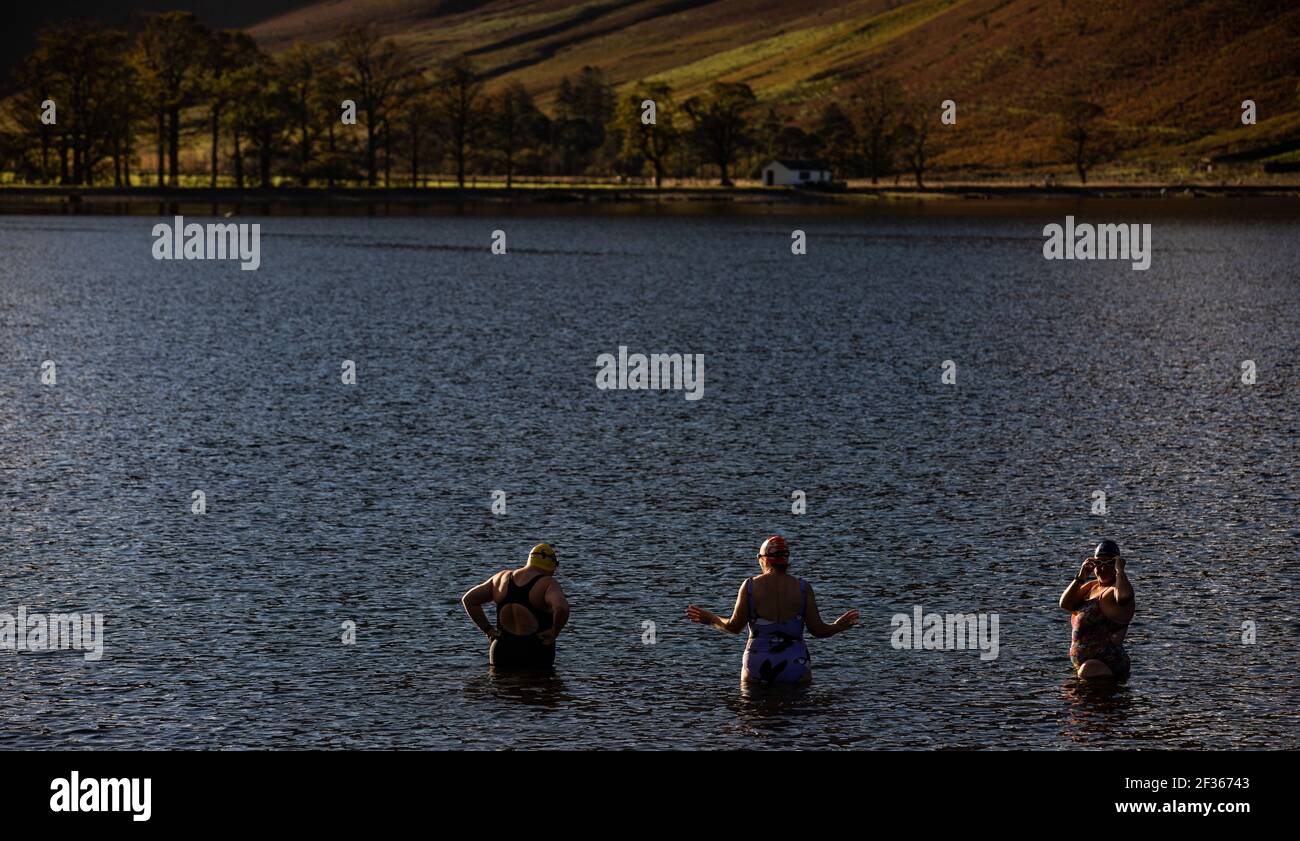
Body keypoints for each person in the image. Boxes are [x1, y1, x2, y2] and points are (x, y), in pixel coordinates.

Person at [686, 535, 859, 684]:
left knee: (753, 716)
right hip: (794, 662)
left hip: (757, 661)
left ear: (764, 559)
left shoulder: (750, 586)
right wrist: (839, 625)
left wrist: (711, 619)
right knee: (797, 715)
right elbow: (818, 630)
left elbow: (734, 627)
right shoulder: (802, 588)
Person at [462, 543, 570, 671]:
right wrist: (554, 632)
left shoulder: (500, 578)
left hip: (501, 651)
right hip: (535, 652)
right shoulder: (548, 583)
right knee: (542, 688)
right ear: (551, 564)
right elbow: (562, 608)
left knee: (501, 687)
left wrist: (488, 630)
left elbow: (469, 600)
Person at [1058, 539, 1134, 681]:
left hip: (1106, 664)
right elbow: (1065, 604)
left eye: (1109, 564)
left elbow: (1124, 597)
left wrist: (1120, 570)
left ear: (1116, 564)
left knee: (1087, 691)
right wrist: (1080, 576)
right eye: (1098, 563)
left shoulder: (1115, 590)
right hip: (1087, 666)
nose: (1102, 568)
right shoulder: (1091, 586)